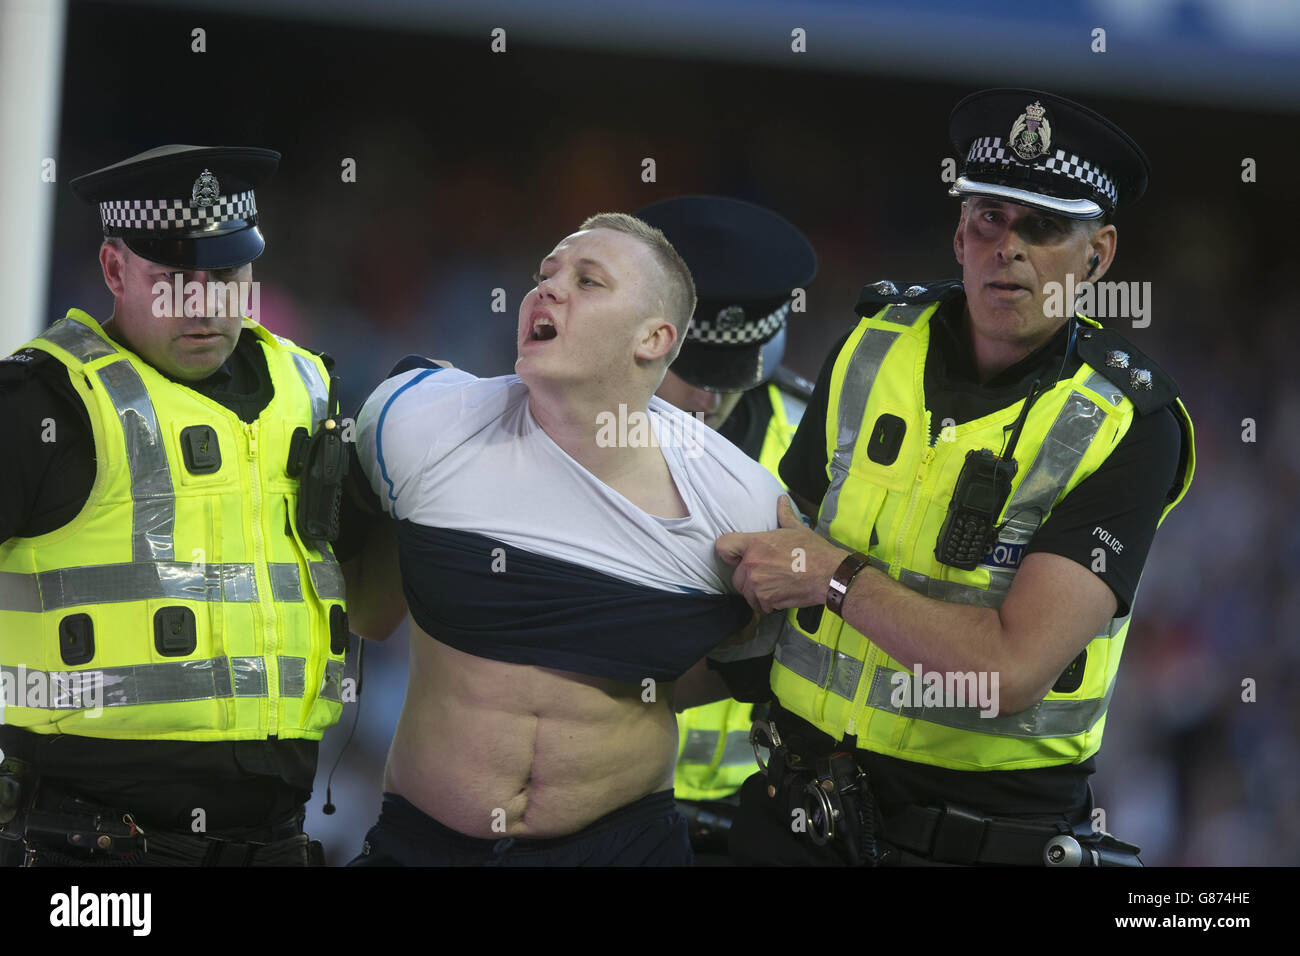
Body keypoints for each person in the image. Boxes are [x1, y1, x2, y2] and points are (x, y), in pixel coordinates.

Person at [714, 89, 1196, 866]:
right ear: (959, 234)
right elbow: (774, 555)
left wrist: (835, 579)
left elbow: (1009, 673)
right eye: (989, 218)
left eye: (1043, 227)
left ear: (1098, 256)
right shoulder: (870, 347)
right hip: (791, 816)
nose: (1009, 247)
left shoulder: (1131, 423)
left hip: (974, 842)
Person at [346, 213, 785, 866]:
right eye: (545, 275)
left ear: (654, 337)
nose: (548, 290)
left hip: (624, 850)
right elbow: (367, 613)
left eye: (589, 280)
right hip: (422, 847)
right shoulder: (415, 416)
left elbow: (754, 662)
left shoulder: (738, 501)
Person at [0, 145, 366, 866]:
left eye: (226, 276)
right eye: (172, 280)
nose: (203, 306)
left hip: (277, 841)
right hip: (86, 851)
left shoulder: (311, 392)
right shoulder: (38, 404)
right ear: (113, 269)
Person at [637, 195, 817, 856]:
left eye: (732, 372)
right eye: (690, 370)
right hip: (594, 802)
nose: (709, 396)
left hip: (757, 819)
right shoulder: (565, 429)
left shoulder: (821, 445)